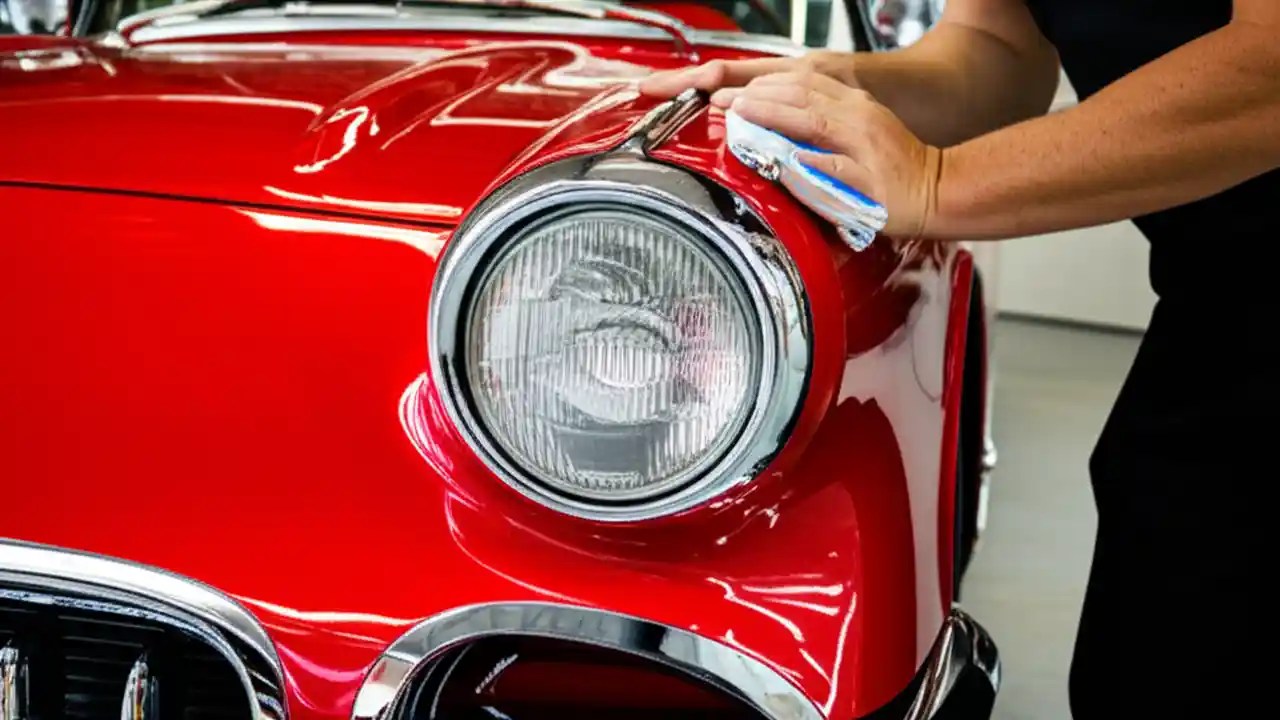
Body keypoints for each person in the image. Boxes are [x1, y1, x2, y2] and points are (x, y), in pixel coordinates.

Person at [641, 1, 1277, 717]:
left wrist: (935, 182)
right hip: (1220, 303)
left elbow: (1270, 64)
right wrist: (832, 85)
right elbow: (994, 49)